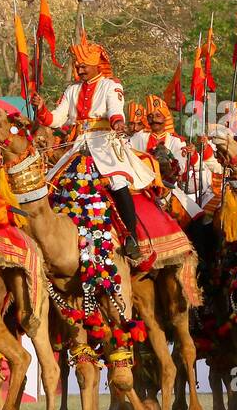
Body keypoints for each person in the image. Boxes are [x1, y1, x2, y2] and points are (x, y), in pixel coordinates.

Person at [31, 41, 155, 261]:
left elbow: (115, 110)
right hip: (79, 144)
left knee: (117, 182)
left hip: (105, 143)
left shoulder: (111, 85)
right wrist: (41, 107)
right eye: (77, 65)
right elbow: (56, 119)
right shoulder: (72, 90)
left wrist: (117, 122)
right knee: (53, 182)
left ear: (97, 64)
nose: (79, 69)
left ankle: (131, 238)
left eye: (83, 65)